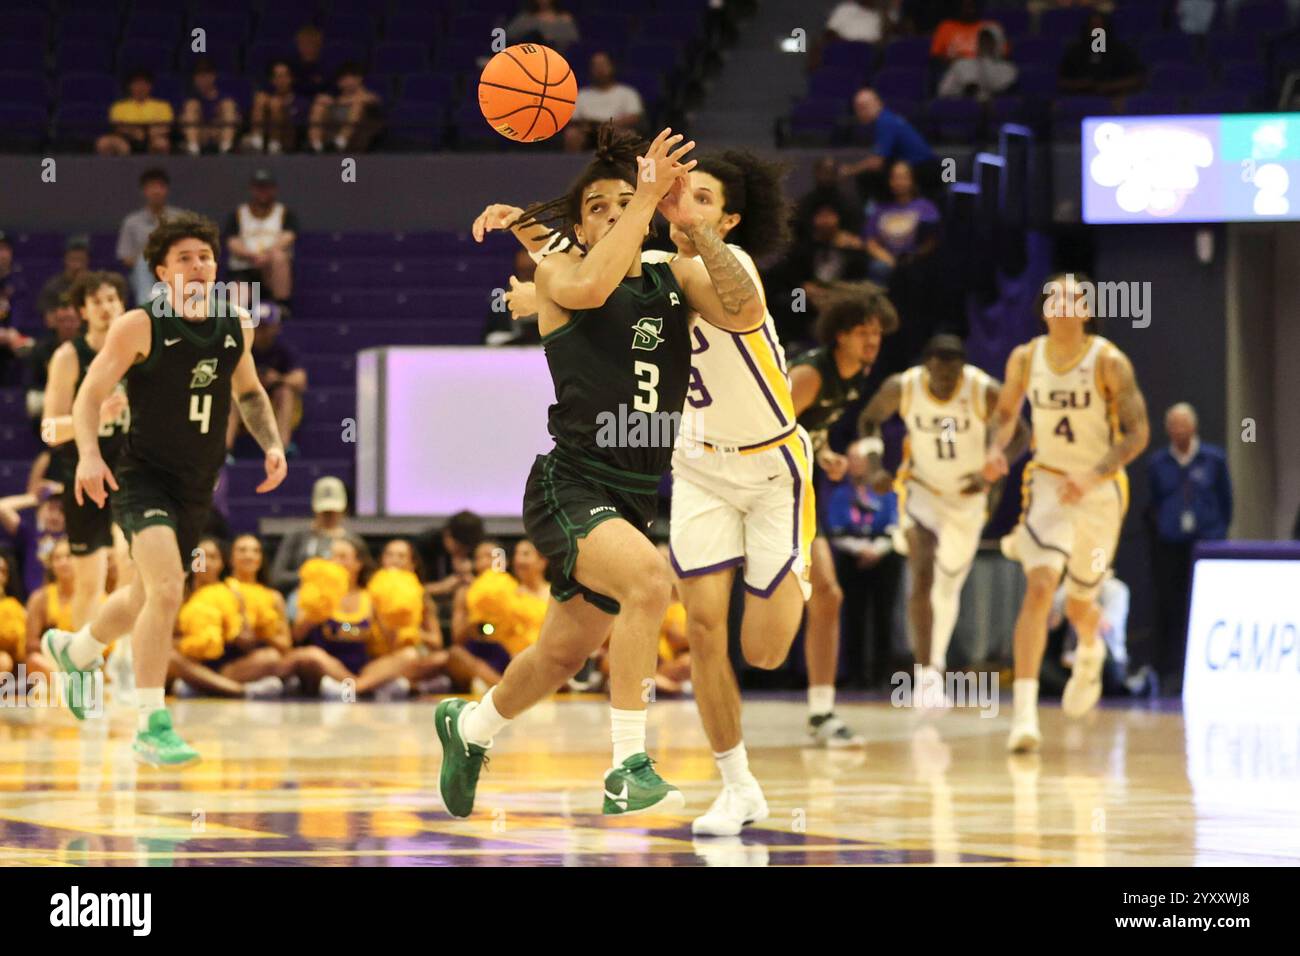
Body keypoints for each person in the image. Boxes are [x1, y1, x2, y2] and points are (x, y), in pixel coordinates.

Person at [436, 124, 766, 819]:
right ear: (577, 226)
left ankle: (468, 729)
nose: (617, 212)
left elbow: (748, 312)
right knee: (650, 580)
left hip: (635, 492)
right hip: (571, 482)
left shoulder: (675, 275)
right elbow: (589, 284)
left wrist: (696, 228)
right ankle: (627, 767)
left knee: (560, 656)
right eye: (598, 207)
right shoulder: (559, 274)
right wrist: (642, 202)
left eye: (627, 201)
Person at [42, 211, 288, 765]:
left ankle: (76, 649)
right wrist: (85, 455)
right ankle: (152, 722)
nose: (198, 266)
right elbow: (88, 395)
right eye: (184, 259)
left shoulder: (235, 325)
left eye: (205, 257)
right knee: (168, 590)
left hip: (196, 483)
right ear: (161, 273)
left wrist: (270, 443)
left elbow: (248, 393)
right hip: (142, 477)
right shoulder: (138, 325)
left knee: (142, 595)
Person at [985, 272, 1151, 752]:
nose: (1063, 303)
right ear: (1043, 309)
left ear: (1087, 310)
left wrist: (1094, 474)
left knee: (1079, 604)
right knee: (1039, 588)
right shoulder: (1025, 357)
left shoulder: (1109, 362)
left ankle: (1091, 648)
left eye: (1074, 297)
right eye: (1055, 295)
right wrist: (997, 449)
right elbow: (1006, 415)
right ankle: (1024, 715)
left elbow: (1136, 435)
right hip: (1050, 484)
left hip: (1099, 491)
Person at [851, 334, 1029, 702]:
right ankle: (926, 674)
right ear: (927, 366)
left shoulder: (983, 389)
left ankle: (937, 662)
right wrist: (872, 467)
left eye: (953, 375)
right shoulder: (903, 386)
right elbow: (869, 420)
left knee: (947, 587)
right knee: (922, 571)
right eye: (940, 375)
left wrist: (997, 465)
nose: (947, 382)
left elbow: (1022, 434)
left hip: (966, 498)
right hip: (923, 491)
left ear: (963, 369)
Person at [789, 285, 899, 743]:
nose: (871, 341)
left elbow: (805, 430)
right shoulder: (810, 374)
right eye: (860, 332)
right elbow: (767, 427)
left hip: (797, 490)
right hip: (763, 492)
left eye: (876, 332)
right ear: (838, 335)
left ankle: (821, 712)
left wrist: (824, 452)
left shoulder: (855, 375)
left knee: (828, 596)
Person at [41, 271, 133, 630]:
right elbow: (49, 431)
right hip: (84, 472)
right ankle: (81, 670)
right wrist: (90, 417)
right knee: (90, 582)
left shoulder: (138, 351)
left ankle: (127, 658)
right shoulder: (69, 356)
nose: (107, 308)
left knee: (133, 564)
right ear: (82, 312)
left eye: (112, 299)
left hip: (129, 471)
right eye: (97, 302)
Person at [1143, 402, 1231, 694]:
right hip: (1170, 545)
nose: (1178, 430)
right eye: (1173, 425)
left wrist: (1216, 532)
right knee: (1170, 608)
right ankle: (1169, 674)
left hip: (1205, 545)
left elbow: (1227, 503)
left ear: (1193, 427)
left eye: (1183, 424)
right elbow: (1152, 504)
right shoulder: (1157, 463)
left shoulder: (1214, 460)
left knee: (1206, 604)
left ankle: (1212, 667)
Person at [286, 537, 414, 699]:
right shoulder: (315, 591)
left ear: (358, 563)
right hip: (328, 667)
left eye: (343, 557)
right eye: (332, 557)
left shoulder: (371, 595)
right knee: (311, 655)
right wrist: (318, 609)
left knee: (409, 654)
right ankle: (363, 687)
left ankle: (356, 687)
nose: (336, 562)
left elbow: (391, 644)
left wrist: (396, 617)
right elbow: (297, 635)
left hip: (364, 668)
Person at [170, 536, 288, 699]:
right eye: (198, 556)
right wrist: (193, 642)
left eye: (212, 557)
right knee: (169, 657)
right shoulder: (178, 594)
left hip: (225, 662)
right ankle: (239, 690)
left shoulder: (232, 591)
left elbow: (247, 640)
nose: (204, 562)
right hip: (190, 661)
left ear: (222, 563)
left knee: (270, 658)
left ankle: (202, 685)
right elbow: (166, 640)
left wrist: (233, 635)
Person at [823, 461, 900, 689]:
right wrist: (859, 549)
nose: (858, 468)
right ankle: (856, 675)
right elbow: (834, 527)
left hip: (885, 558)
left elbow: (896, 524)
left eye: (862, 462)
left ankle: (882, 675)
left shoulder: (887, 492)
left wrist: (876, 550)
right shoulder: (841, 493)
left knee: (883, 617)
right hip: (851, 558)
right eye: (853, 461)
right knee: (853, 617)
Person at [226, 302, 306, 453]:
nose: (261, 331)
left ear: (276, 327)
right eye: (258, 326)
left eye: (266, 326)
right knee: (232, 397)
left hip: (273, 401)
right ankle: (225, 450)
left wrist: (277, 379)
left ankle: (282, 448)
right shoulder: (241, 346)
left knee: (285, 392)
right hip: (247, 399)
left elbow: (300, 379)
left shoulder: (284, 349)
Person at [840, 89, 937, 203]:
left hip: (924, 169)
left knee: (867, 177)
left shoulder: (885, 122)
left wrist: (850, 170)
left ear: (878, 103)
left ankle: (880, 213)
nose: (860, 111)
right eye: (858, 108)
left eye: (864, 106)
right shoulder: (885, 119)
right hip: (914, 166)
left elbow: (877, 162)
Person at [225, 170, 299, 306]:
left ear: (274, 189)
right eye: (259, 188)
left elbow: (288, 237)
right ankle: (238, 321)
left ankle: (282, 306)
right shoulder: (239, 214)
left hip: (271, 270)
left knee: (279, 257)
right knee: (237, 296)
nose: (263, 192)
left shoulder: (284, 213)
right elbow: (232, 242)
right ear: (252, 189)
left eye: (267, 188)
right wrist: (252, 256)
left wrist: (266, 255)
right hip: (244, 270)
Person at [862, 160, 941, 282]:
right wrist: (891, 261)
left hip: (916, 259)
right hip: (886, 260)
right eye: (895, 177)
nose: (899, 182)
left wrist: (913, 258)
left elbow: (933, 240)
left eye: (904, 177)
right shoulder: (879, 209)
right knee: (878, 268)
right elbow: (871, 243)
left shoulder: (926, 207)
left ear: (912, 180)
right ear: (890, 181)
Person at [270, 476, 351, 591]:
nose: (329, 516)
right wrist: (310, 575)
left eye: (333, 512)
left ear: (344, 509)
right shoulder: (297, 537)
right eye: (325, 512)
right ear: (314, 508)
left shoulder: (352, 541)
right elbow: (277, 576)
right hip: (300, 596)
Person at [116, 169, 184, 307]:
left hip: (175, 269)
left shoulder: (180, 219)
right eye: (152, 187)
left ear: (167, 190)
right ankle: (148, 309)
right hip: (144, 272)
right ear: (144, 191)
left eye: (160, 186)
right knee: (144, 260)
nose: (156, 191)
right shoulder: (132, 222)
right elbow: (126, 257)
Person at [564, 53, 644, 153]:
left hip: (616, 129)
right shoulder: (582, 95)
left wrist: (608, 125)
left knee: (628, 135)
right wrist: (593, 126)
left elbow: (634, 116)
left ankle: (624, 167)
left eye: (603, 65)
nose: (600, 69)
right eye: (596, 66)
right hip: (588, 132)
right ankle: (573, 167)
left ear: (612, 67)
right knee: (571, 134)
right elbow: (574, 119)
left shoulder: (627, 93)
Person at [1058, 12, 1145, 97]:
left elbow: (1136, 79)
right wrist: (1080, 84)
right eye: (1093, 26)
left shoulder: (1121, 51)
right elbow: (1062, 81)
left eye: (1100, 26)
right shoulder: (1075, 52)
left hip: (1115, 98)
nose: (1096, 30)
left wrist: (1110, 86)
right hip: (1080, 97)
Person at [21, 540, 73, 680]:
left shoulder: (92, 597)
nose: (63, 562)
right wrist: (60, 648)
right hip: (51, 663)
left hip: (83, 659)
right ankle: (68, 684)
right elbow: (30, 643)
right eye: (57, 558)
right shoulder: (40, 598)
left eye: (68, 556)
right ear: (51, 564)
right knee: (34, 660)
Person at [0, 489, 65, 600]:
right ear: (41, 510)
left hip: (64, 601)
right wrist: (35, 499)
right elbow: (2, 507)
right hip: (31, 601)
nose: (55, 516)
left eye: (61, 511)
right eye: (51, 508)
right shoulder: (32, 535)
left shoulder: (74, 540)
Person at [307, 62, 382, 153]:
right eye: (342, 79)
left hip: (356, 135)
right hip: (332, 128)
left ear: (358, 79)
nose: (346, 82)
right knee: (319, 105)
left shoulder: (366, 96)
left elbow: (372, 100)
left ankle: (341, 142)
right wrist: (330, 101)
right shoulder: (336, 99)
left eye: (349, 78)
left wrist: (340, 102)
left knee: (357, 106)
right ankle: (316, 145)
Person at [96, 70, 174, 156]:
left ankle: (156, 168)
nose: (140, 87)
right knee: (104, 142)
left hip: (153, 137)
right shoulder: (119, 106)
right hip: (125, 138)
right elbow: (118, 127)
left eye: (144, 84)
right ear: (130, 86)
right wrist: (134, 133)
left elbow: (165, 127)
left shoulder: (163, 106)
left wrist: (146, 134)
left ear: (150, 86)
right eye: (136, 84)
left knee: (161, 143)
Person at [937, 25, 1018, 100]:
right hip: (959, 105)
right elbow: (945, 91)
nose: (985, 43)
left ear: (998, 42)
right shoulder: (964, 63)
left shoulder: (1008, 69)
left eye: (989, 40)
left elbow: (1004, 92)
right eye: (982, 39)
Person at [247, 60, 308, 154]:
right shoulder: (265, 101)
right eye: (277, 77)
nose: (281, 80)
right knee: (260, 98)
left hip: (289, 141)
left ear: (291, 78)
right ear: (272, 80)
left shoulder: (300, 102)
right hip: (265, 140)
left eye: (285, 76)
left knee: (276, 104)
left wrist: (282, 110)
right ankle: (256, 141)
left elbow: (300, 127)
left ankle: (274, 144)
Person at [930, 0, 1005, 64]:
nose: (969, 10)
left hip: (986, 70)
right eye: (966, 6)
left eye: (971, 6)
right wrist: (952, 60)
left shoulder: (991, 27)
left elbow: (1005, 56)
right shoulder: (946, 27)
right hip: (956, 70)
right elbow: (935, 58)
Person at [36, 236, 91, 317]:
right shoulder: (53, 286)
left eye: (81, 260)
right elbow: (46, 314)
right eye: (73, 260)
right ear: (65, 260)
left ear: (87, 261)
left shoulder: (94, 285)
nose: (77, 266)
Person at [506, 0, 580, 50]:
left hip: (556, 60)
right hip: (528, 60)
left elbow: (573, 43)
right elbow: (509, 38)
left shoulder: (564, 19)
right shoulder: (524, 18)